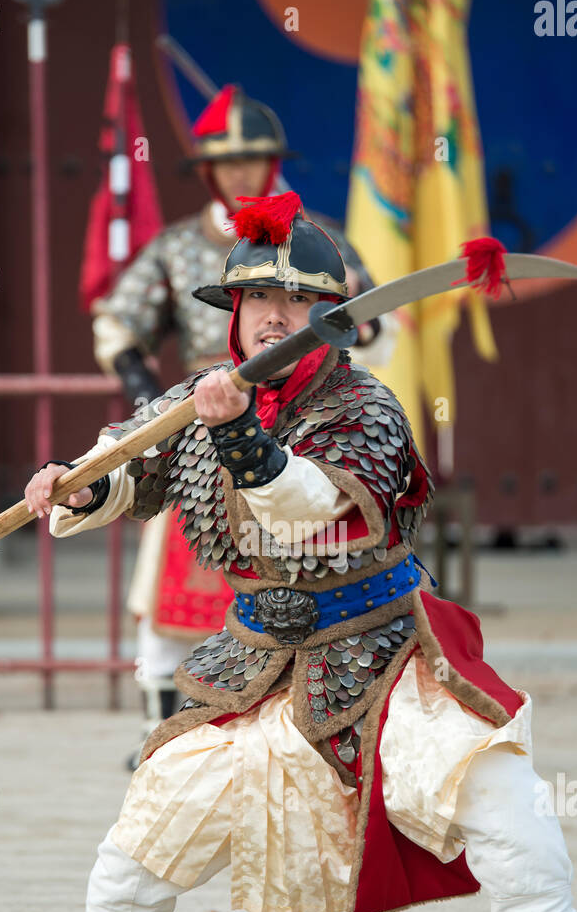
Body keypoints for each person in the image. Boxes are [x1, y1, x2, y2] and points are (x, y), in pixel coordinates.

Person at [23, 193, 577, 912]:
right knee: (145, 830)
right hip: (253, 662)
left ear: (323, 317)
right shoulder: (195, 398)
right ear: (232, 314)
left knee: (495, 785)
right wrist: (77, 486)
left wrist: (233, 425)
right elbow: (126, 467)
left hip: (383, 646)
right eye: (258, 301)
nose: (276, 316)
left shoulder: (366, 406)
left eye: (298, 303)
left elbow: (305, 506)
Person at [90, 84, 392, 760]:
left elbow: (372, 318)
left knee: (307, 558)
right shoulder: (174, 248)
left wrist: (356, 334)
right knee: (172, 582)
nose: (237, 174)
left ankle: (306, 712)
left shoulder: (319, 244)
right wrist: (149, 393)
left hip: (302, 415)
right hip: (203, 415)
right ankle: (164, 725)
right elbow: (116, 321)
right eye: (225, 163)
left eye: (250, 160)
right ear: (207, 170)